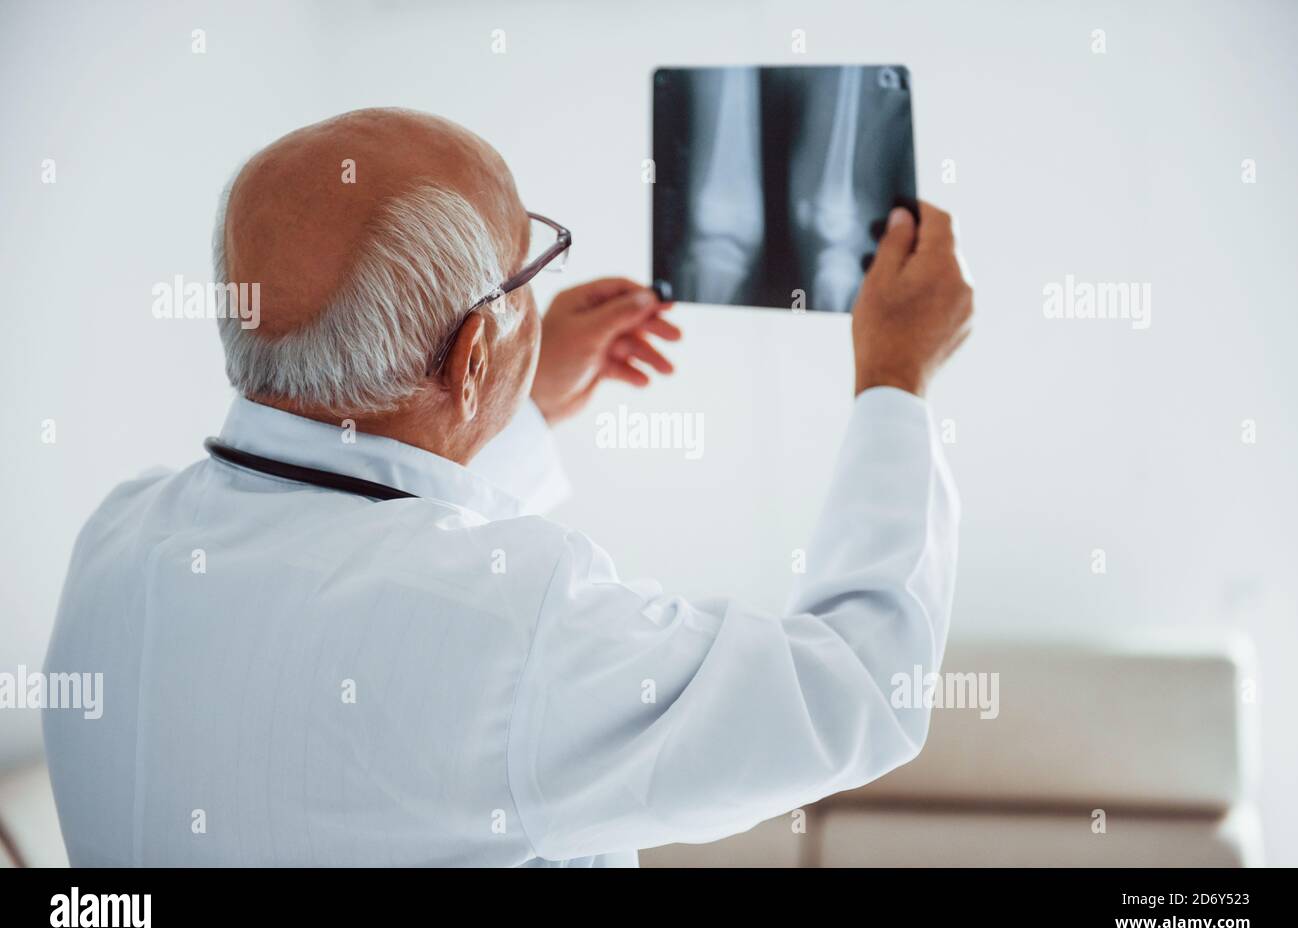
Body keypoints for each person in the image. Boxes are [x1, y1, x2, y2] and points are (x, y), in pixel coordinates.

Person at [43, 107, 973, 867]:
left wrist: (504, 406)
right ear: (473, 352)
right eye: (529, 265)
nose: (543, 283)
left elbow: (362, 561)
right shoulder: (528, 625)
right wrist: (897, 376)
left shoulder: (119, 541)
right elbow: (859, 690)